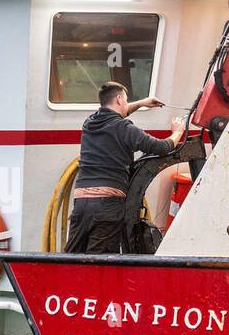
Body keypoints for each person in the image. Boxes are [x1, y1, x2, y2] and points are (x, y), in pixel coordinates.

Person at [64, 82, 187, 254]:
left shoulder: (90, 123)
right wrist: (177, 132)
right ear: (120, 99)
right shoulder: (124, 128)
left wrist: (143, 102)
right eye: (126, 99)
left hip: (81, 205)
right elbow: (161, 147)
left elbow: (117, 113)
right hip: (107, 206)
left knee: (71, 259)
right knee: (100, 265)